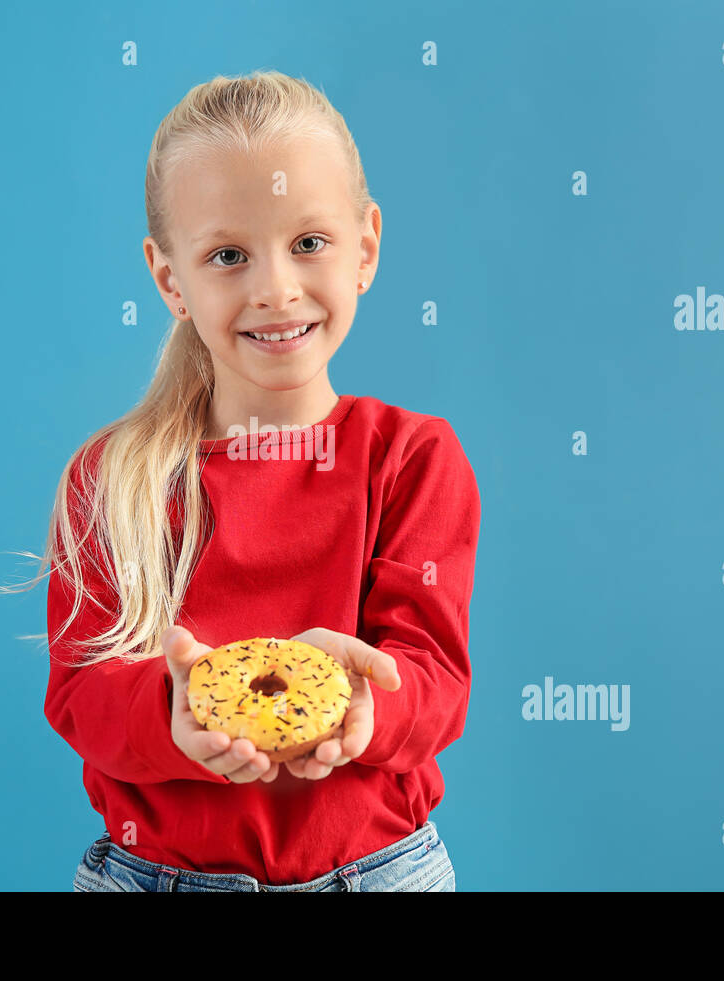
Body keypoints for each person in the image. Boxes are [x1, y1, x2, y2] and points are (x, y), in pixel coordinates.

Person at [24, 70, 480, 891]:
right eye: (228, 255)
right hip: (159, 876)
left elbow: (435, 674)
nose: (275, 289)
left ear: (366, 248)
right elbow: (79, 694)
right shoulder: (112, 478)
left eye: (309, 243)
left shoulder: (412, 459)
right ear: (171, 281)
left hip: (379, 872)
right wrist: (170, 711)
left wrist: (376, 704)